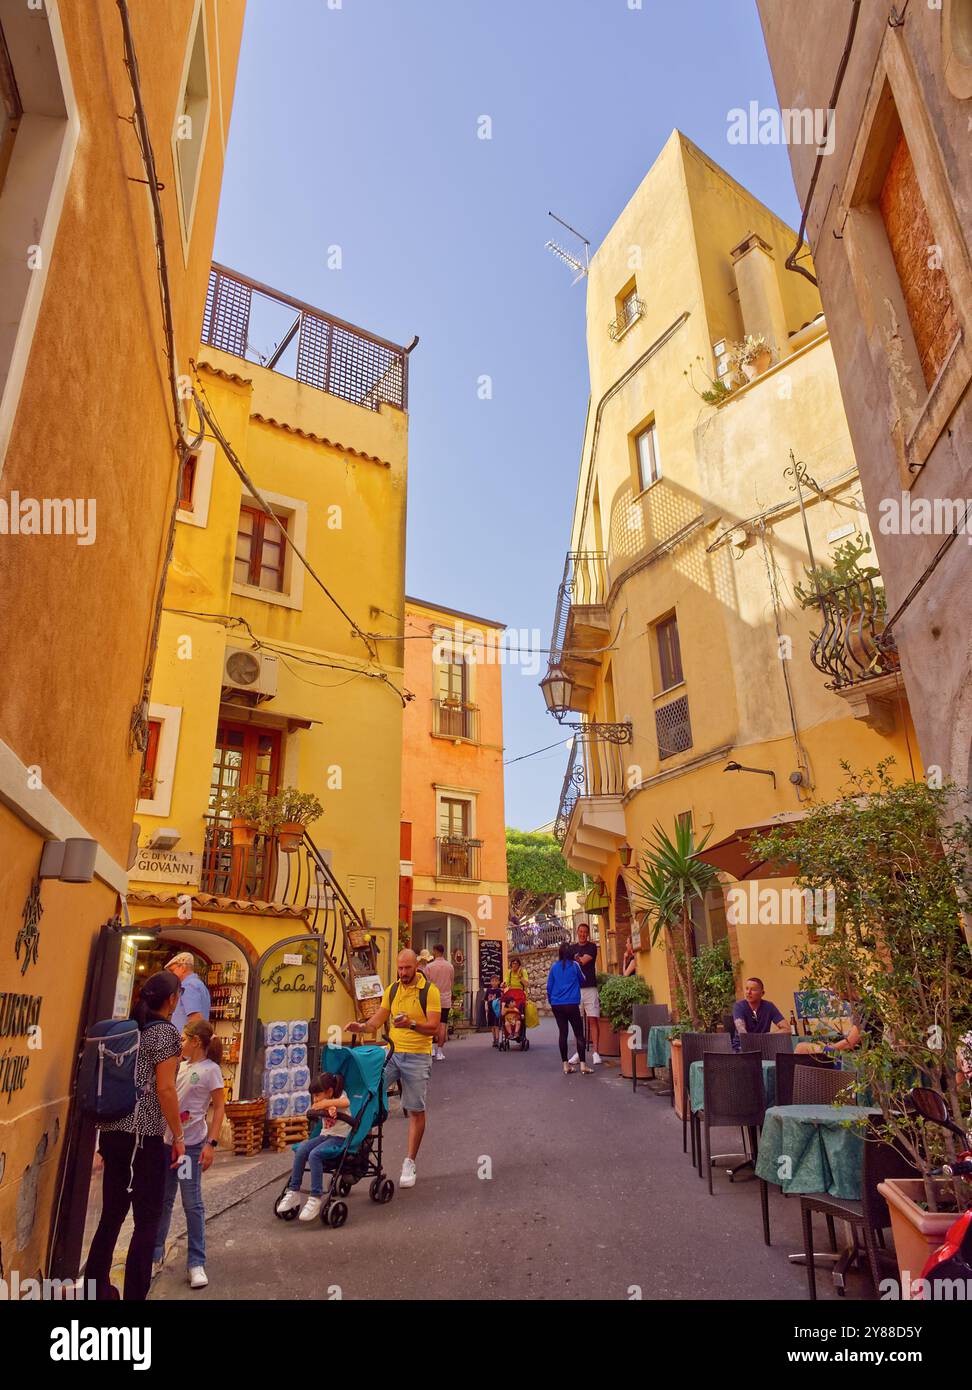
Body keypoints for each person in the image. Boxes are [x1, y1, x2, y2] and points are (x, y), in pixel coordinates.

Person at [84, 970, 184, 1301]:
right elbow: (166, 1089)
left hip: (113, 1134)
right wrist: (179, 1136)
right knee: (147, 1221)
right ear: (172, 1000)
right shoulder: (166, 1034)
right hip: (142, 1139)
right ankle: (135, 1296)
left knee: (112, 1214)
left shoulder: (130, 1029)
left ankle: (95, 1289)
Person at [345, 949, 440, 1189]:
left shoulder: (430, 991)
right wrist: (362, 1027)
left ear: (416, 966)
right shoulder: (393, 989)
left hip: (418, 1056)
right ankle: (360, 1154)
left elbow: (434, 1027)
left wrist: (411, 1023)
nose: (403, 972)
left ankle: (410, 1161)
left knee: (415, 1109)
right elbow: (378, 1019)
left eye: (407, 968)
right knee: (368, 1096)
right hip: (393, 1054)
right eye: (400, 968)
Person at [152, 1019, 225, 1289]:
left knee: (191, 1201)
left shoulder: (211, 1071)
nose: (181, 1043)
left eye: (184, 1039)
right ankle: (155, 1253)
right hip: (168, 1143)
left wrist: (211, 1144)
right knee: (164, 1199)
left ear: (196, 1042)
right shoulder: (180, 1067)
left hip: (190, 1147)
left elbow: (219, 1108)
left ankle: (196, 1262)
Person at [275, 1071, 355, 1222]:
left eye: (318, 1095)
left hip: (339, 1138)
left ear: (329, 1091)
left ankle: (316, 1197)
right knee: (301, 1149)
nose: (315, 1099)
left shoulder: (340, 1096)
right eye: (314, 1096)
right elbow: (319, 1108)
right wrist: (324, 1106)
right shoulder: (320, 1101)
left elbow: (346, 1103)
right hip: (324, 1135)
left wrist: (328, 1103)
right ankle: (293, 1191)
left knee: (315, 1154)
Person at [546, 942, 591, 1076]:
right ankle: (583, 1065)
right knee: (579, 1034)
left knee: (563, 1033)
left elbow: (549, 987)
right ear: (572, 953)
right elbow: (583, 980)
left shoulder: (554, 967)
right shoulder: (575, 965)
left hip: (557, 1004)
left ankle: (565, 1065)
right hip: (571, 1003)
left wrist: (551, 1000)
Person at [567, 922, 601, 1066]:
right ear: (577, 932)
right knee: (577, 1022)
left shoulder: (592, 947)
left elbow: (583, 961)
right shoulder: (573, 948)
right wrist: (575, 958)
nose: (582, 934)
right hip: (576, 989)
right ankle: (578, 1053)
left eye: (585, 932)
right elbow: (569, 964)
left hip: (590, 988)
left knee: (593, 1019)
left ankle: (596, 1052)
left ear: (588, 933)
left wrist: (575, 958)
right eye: (580, 931)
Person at [731, 977, 792, 1051]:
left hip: (763, 1047)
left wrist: (767, 1036)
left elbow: (787, 1029)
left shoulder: (769, 1006)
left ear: (762, 993)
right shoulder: (739, 1006)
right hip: (741, 1048)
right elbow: (742, 1032)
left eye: (753, 989)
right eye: (747, 988)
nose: (748, 992)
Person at [424, 944, 455, 1062]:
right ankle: (440, 1052)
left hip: (432, 999)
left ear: (435, 951)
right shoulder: (450, 966)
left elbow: (426, 984)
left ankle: (431, 1049)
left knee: (431, 1024)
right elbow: (451, 982)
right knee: (442, 1025)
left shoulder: (429, 966)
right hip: (445, 998)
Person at [166, 951, 211, 1032]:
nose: (171, 974)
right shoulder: (198, 984)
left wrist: (188, 1041)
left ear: (183, 968)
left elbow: (195, 1018)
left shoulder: (188, 986)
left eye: (172, 970)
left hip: (186, 1041)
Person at [485, 973, 503, 1047]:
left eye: (496, 981)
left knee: (497, 1025)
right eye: (492, 981)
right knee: (492, 1025)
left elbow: (501, 1001)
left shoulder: (499, 991)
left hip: (496, 1010)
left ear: (498, 982)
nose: (494, 982)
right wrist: (486, 1007)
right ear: (490, 982)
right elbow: (486, 1000)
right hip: (490, 1010)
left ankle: (497, 1039)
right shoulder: (488, 990)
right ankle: (494, 1039)